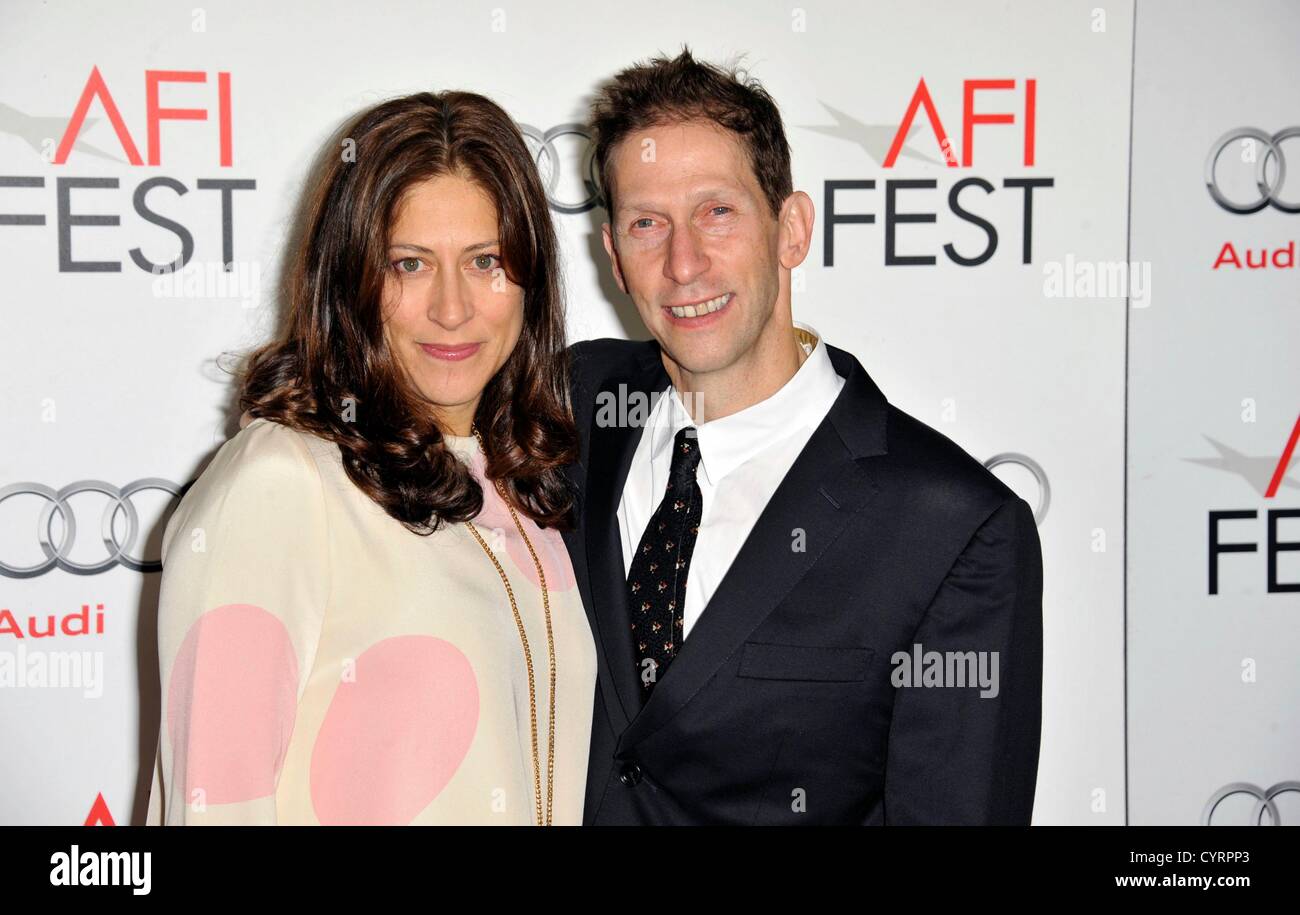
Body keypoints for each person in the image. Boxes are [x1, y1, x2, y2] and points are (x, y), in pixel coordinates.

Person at [561, 48, 1044, 825]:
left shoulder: (952, 526)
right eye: (648, 223)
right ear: (614, 255)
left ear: (792, 228)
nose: (684, 263)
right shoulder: (569, 406)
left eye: (717, 211)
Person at [145, 91, 596, 825]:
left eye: (485, 260)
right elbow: (212, 805)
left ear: (530, 280)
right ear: (352, 278)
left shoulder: (523, 493)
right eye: (409, 264)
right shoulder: (281, 482)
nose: (453, 308)